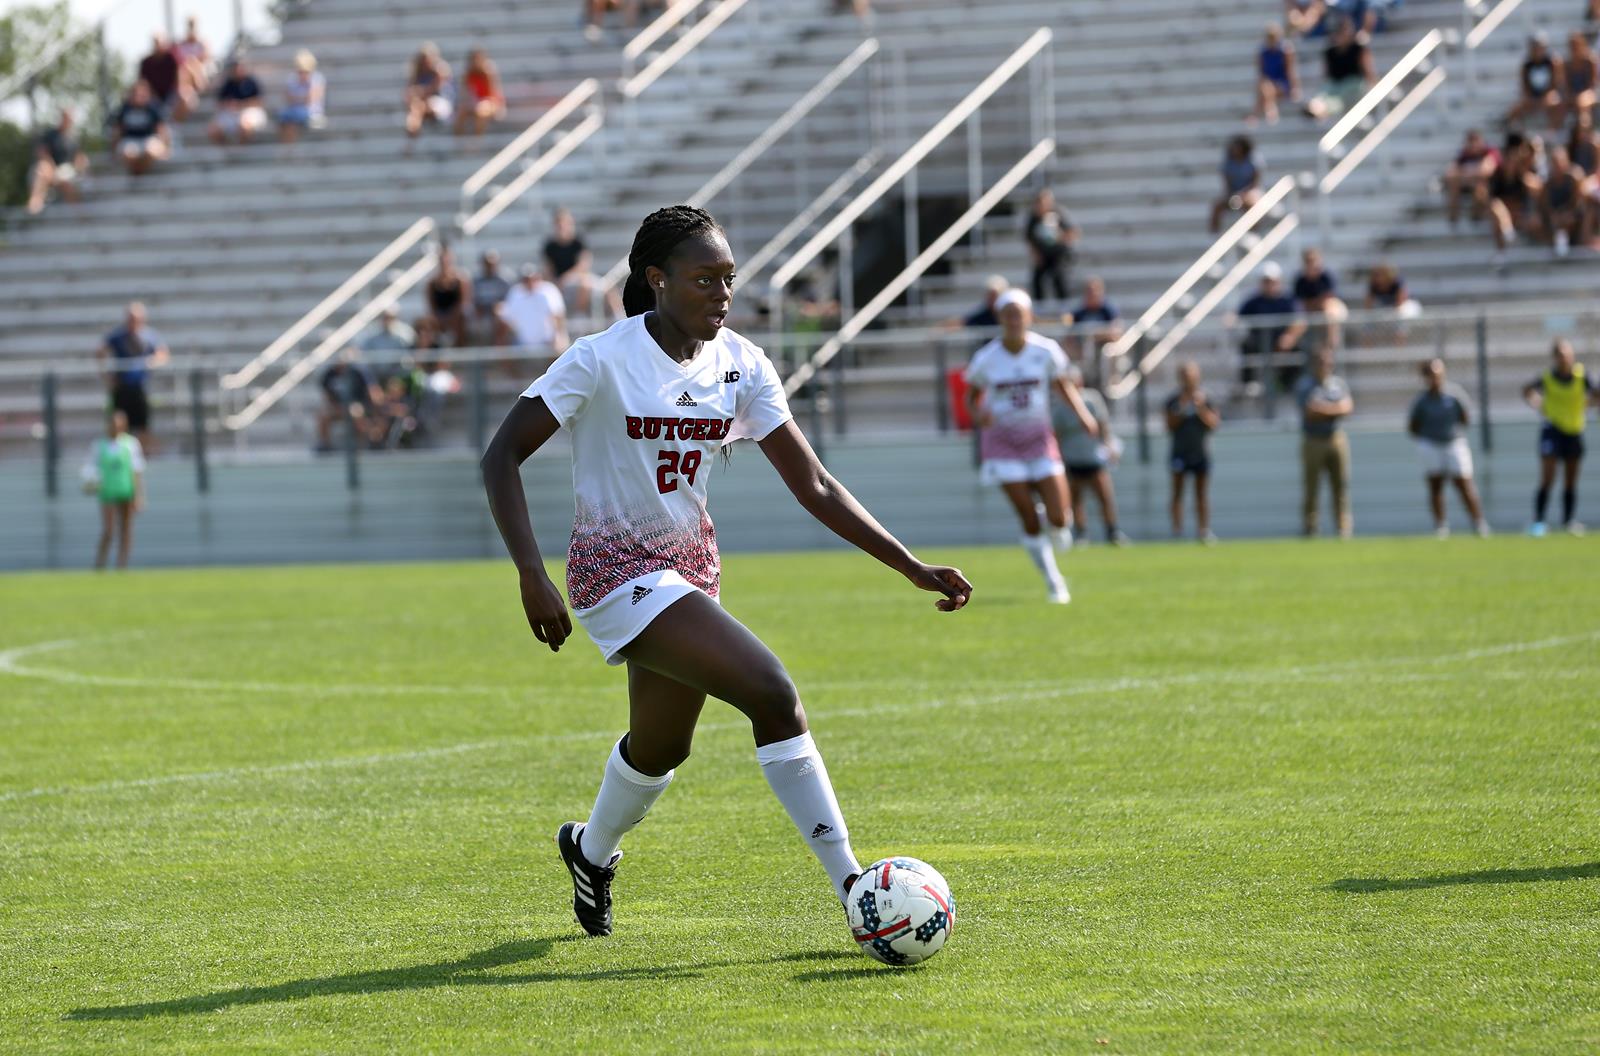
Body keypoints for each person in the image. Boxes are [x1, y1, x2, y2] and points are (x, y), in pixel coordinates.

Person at [479, 204, 972, 937]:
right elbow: (501, 455)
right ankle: (856, 892)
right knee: (773, 694)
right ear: (657, 281)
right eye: (704, 278)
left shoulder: (741, 362)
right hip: (614, 571)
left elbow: (816, 486)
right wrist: (530, 572)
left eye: (729, 278)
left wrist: (908, 564)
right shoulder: (601, 358)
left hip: (690, 570)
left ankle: (590, 850)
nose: (722, 292)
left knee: (661, 746)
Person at [964, 289, 1099, 601]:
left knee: (1059, 516)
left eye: (1018, 314)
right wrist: (977, 414)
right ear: (1000, 318)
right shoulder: (987, 357)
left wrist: (1084, 416)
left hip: (1039, 440)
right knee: (1027, 516)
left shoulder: (1046, 351)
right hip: (1002, 443)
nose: (1013, 320)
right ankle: (1054, 582)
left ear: (1028, 317)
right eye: (1007, 314)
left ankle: (1056, 524)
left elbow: (1062, 385)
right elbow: (970, 395)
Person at [1523, 338, 1598, 536]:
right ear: (1555, 357)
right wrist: (1537, 404)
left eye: (1568, 354)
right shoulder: (1547, 377)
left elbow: (1597, 394)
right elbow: (1527, 390)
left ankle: (1568, 521)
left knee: (1570, 480)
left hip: (1574, 431)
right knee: (1548, 477)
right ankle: (1539, 522)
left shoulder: (1583, 376)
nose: (1565, 359)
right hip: (1552, 430)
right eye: (1561, 355)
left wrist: (1590, 404)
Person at [1408, 358, 1488, 538]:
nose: (1435, 379)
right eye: (1431, 375)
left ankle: (1479, 523)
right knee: (1435, 485)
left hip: (1453, 443)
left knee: (1464, 483)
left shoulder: (1454, 394)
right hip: (1430, 444)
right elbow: (1413, 426)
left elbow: (1465, 417)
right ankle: (1441, 526)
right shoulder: (1421, 400)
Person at [1053, 368, 1125, 547]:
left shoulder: (1091, 399)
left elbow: (1102, 425)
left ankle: (1112, 531)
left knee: (1105, 496)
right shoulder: (1061, 407)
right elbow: (1057, 435)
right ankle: (1081, 533)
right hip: (1072, 458)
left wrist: (1108, 446)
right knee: (1076, 499)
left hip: (1094, 458)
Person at [1296, 347, 1355, 538]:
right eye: (1321, 362)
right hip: (1313, 440)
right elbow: (1310, 412)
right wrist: (1334, 409)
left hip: (1335, 437)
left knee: (1341, 485)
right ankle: (1311, 528)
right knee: (1311, 486)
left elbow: (1347, 408)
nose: (1325, 366)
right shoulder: (1306, 385)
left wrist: (1324, 410)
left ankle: (1342, 527)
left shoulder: (1338, 384)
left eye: (1328, 362)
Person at [97, 302, 168, 452]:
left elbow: (163, 354)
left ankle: (142, 460)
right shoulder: (118, 336)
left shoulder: (148, 336)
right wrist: (106, 376)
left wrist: (151, 362)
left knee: (142, 426)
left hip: (140, 388)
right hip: (121, 388)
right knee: (119, 423)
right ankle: (122, 456)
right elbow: (100, 351)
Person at [82, 411, 146, 570]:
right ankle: (100, 565)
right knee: (109, 530)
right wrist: (90, 482)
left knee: (126, 529)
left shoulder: (131, 443)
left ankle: (121, 565)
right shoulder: (99, 445)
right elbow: (90, 468)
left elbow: (136, 471)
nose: (115, 428)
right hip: (107, 491)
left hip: (126, 490)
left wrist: (138, 495)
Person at [1166, 361, 1220, 543]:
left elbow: (1214, 424)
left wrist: (1200, 408)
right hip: (1180, 452)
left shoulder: (1206, 398)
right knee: (1177, 493)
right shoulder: (1173, 400)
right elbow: (1169, 425)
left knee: (1201, 494)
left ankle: (1204, 531)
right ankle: (1177, 531)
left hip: (1200, 452)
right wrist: (1182, 407)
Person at [1234, 262, 1305, 394]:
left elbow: (1300, 320)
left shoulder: (1287, 300)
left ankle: (1288, 384)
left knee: (1297, 349)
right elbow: (1237, 315)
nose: (1269, 285)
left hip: (1282, 343)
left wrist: (1289, 337)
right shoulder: (1254, 301)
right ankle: (1249, 383)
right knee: (1247, 345)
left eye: (1271, 281)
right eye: (1266, 281)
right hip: (1260, 342)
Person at [543, 208, 617, 319]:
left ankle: (618, 316)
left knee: (607, 287)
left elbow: (583, 265)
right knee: (584, 285)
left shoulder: (578, 242)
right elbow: (548, 268)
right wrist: (555, 282)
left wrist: (566, 277)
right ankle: (579, 317)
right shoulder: (550, 246)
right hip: (561, 282)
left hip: (575, 277)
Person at [1488, 133, 1545, 264]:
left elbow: (1537, 189)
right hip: (1505, 211)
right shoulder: (1499, 173)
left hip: (1522, 213)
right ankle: (1506, 235)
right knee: (1496, 208)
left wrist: (1521, 173)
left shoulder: (1527, 171)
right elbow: (1494, 197)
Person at [1302, 17, 1374, 121]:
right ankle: (1315, 107)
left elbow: (1368, 70)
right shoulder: (1329, 52)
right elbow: (1326, 74)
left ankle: (1320, 111)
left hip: (1353, 83)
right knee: (1323, 93)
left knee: (1338, 99)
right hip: (1334, 83)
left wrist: (1372, 85)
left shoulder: (1358, 49)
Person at [316, 349, 386, 451]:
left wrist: (376, 407)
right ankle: (325, 444)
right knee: (323, 415)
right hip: (338, 406)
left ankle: (361, 445)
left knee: (355, 413)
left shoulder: (359, 372)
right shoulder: (330, 374)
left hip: (359, 405)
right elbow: (327, 395)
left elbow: (373, 392)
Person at [497, 264, 568, 354]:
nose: (530, 282)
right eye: (526, 280)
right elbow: (507, 318)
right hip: (522, 344)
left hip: (548, 343)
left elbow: (557, 315)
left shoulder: (549, 290)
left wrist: (558, 337)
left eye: (533, 279)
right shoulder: (515, 292)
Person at [26, 110, 87, 215]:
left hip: (68, 170)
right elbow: (42, 153)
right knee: (42, 168)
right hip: (52, 167)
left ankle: (78, 213)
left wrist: (82, 164)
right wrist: (53, 169)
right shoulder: (50, 134)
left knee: (65, 179)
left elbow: (78, 156)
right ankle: (36, 201)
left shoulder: (73, 137)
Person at [1024, 188, 1076, 303]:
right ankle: (1039, 304)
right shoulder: (1033, 218)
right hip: (1043, 255)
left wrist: (1059, 235)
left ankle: (1064, 304)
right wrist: (1036, 254)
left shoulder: (1059, 214)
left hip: (1059, 255)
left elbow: (1072, 233)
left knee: (1060, 278)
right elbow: (1028, 237)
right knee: (1037, 279)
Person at [109, 80, 170, 176]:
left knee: (150, 151)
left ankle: (139, 173)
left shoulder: (153, 108)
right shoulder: (124, 109)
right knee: (127, 153)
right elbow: (118, 130)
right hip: (130, 140)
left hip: (149, 139)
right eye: (135, 93)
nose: (138, 96)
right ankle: (139, 173)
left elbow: (161, 129)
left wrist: (166, 148)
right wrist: (113, 150)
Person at [1506, 33, 1565, 131]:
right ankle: (1516, 132)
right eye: (1534, 47)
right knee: (1516, 109)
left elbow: (1556, 84)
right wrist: (1531, 98)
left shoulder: (1552, 62)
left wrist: (1545, 97)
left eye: (1539, 47)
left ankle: (1552, 132)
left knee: (1555, 104)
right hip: (1533, 97)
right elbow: (1524, 86)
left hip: (1549, 95)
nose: (1536, 50)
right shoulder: (1526, 65)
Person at [1443, 129, 1500, 227]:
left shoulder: (1490, 152)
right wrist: (1472, 174)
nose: (1473, 145)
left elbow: (1485, 171)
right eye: (1470, 141)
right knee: (1453, 185)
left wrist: (1464, 173)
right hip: (1468, 185)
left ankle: (1476, 219)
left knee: (1480, 188)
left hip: (1492, 188)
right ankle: (1453, 219)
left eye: (1476, 141)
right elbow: (1449, 174)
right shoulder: (1464, 155)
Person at [1539, 145, 1588, 257]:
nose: (1558, 165)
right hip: (1556, 215)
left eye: (1560, 162)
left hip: (1574, 214)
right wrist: (1554, 215)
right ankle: (1555, 247)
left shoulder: (1574, 178)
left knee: (1567, 220)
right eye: (1555, 162)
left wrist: (1567, 213)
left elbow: (1577, 203)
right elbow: (1547, 206)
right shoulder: (1548, 183)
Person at [1293, 247, 1346, 349]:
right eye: (1308, 261)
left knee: (1330, 310)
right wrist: (1316, 303)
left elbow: (1328, 300)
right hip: (1309, 313)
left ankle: (1332, 345)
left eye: (1313, 260)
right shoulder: (1300, 280)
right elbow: (1301, 303)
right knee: (1296, 323)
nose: (1311, 264)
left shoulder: (1327, 276)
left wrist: (1314, 303)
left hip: (1328, 312)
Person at [209, 57, 268, 145]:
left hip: (250, 111)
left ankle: (240, 151)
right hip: (231, 113)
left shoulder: (251, 82)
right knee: (213, 130)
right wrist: (229, 105)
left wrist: (241, 104)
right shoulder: (228, 83)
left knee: (244, 125)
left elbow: (259, 102)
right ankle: (228, 152)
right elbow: (220, 102)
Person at [1211, 134, 1262, 232]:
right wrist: (1233, 195)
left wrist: (1243, 194)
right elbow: (1227, 183)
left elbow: (1255, 183)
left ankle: (1254, 232)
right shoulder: (1229, 163)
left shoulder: (1252, 161)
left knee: (1251, 205)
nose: (1235, 150)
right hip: (1234, 193)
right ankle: (1214, 234)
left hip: (1250, 192)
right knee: (1217, 206)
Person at [423, 245, 472, 347]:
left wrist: (451, 317)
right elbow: (432, 306)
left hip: (456, 316)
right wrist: (440, 318)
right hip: (439, 316)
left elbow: (463, 302)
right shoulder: (432, 283)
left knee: (461, 321)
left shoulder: (460, 280)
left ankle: (460, 350)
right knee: (428, 323)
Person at [137, 32, 194, 120]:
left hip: (172, 93)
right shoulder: (146, 62)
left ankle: (176, 123)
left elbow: (180, 74)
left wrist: (180, 89)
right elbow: (143, 83)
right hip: (154, 97)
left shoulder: (172, 58)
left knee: (186, 97)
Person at [1252, 23, 1300, 125]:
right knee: (1266, 87)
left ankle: (1259, 114)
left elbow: (1290, 71)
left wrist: (1295, 88)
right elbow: (1262, 73)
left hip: (1282, 84)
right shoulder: (1263, 53)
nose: (1272, 40)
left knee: (1266, 88)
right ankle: (1270, 112)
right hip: (1269, 84)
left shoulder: (1285, 51)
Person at [405, 43, 453, 140]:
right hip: (423, 104)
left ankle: (413, 128)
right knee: (417, 106)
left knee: (418, 106)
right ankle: (413, 128)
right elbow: (409, 92)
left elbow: (434, 89)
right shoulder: (418, 73)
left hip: (440, 104)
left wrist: (420, 91)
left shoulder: (439, 71)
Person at [278, 50, 326, 143]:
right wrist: (302, 98)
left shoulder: (317, 79)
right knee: (285, 118)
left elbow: (312, 99)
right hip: (295, 111)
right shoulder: (292, 79)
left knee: (292, 120)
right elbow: (289, 98)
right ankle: (288, 148)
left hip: (311, 112)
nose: (302, 74)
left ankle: (289, 149)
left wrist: (298, 98)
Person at [455, 48, 505, 138]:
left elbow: (492, 95)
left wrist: (478, 103)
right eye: (473, 59)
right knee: (461, 112)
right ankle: (458, 141)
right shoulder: (468, 73)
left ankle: (478, 141)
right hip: (476, 102)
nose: (475, 62)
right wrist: (471, 103)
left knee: (480, 111)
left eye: (477, 59)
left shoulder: (488, 72)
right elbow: (464, 93)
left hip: (491, 103)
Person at [471, 250, 513, 342]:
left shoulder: (505, 279)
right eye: (487, 264)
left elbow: (510, 300)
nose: (490, 267)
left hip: (499, 310)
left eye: (492, 264)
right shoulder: (476, 280)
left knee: (499, 314)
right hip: (482, 311)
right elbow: (473, 299)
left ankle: (500, 351)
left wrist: (499, 307)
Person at [1561, 31, 1598, 127]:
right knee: (1557, 105)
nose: (1574, 48)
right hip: (1573, 95)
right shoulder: (1566, 64)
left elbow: (1592, 86)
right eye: (1572, 46)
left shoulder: (1590, 61)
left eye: (1576, 45)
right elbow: (1566, 86)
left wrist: (1579, 96)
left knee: (1581, 103)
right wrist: (1571, 96)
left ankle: (1585, 132)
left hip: (1589, 94)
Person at [173, 16, 213, 98]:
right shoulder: (181, 44)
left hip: (201, 71)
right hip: (186, 72)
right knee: (185, 67)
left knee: (191, 63)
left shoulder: (203, 43)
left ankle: (198, 86)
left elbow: (205, 59)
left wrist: (193, 62)